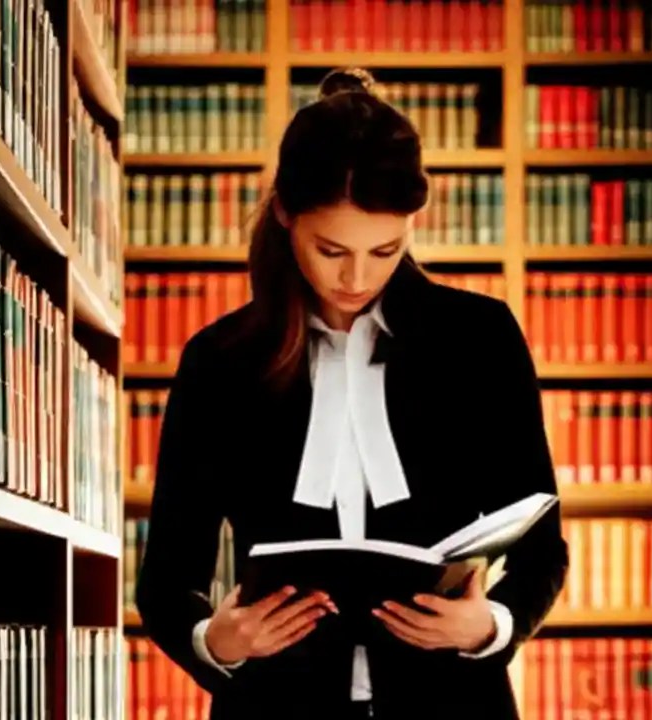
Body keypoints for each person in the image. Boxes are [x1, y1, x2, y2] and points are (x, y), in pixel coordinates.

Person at [135, 66, 569, 720]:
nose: (357, 277)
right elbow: (167, 581)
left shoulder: (480, 339)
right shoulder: (220, 361)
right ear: (284, 213)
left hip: (454, 707)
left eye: (385, 250)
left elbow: (543, 552)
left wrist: (490, 626)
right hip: (274, 709)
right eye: (331, 249)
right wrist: (214, 641)